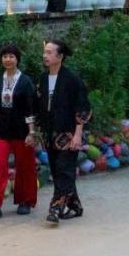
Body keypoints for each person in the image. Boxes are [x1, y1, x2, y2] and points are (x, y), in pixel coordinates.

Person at [33, 39, 91, 225]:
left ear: (60, 56)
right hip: (50, 133)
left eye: (50, 52)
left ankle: (55, 207)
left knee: (64, 170)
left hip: (68, 134)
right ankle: (74, 204)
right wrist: (35, 131)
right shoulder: (42, 79)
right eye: (45, 52)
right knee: (58, 171)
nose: (45, 56)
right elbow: (38, 106)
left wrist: (77, 133)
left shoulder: (72, 80)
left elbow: (82, 107)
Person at [0, 43, 37, 220]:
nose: (8, 59)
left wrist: (31, 133)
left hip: (21, 131)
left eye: (11, 56)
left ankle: (25, 200)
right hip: (0, 131)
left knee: (25, 166)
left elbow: (30, 110)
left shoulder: (26, 82)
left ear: (17, 59)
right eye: (5, 56)